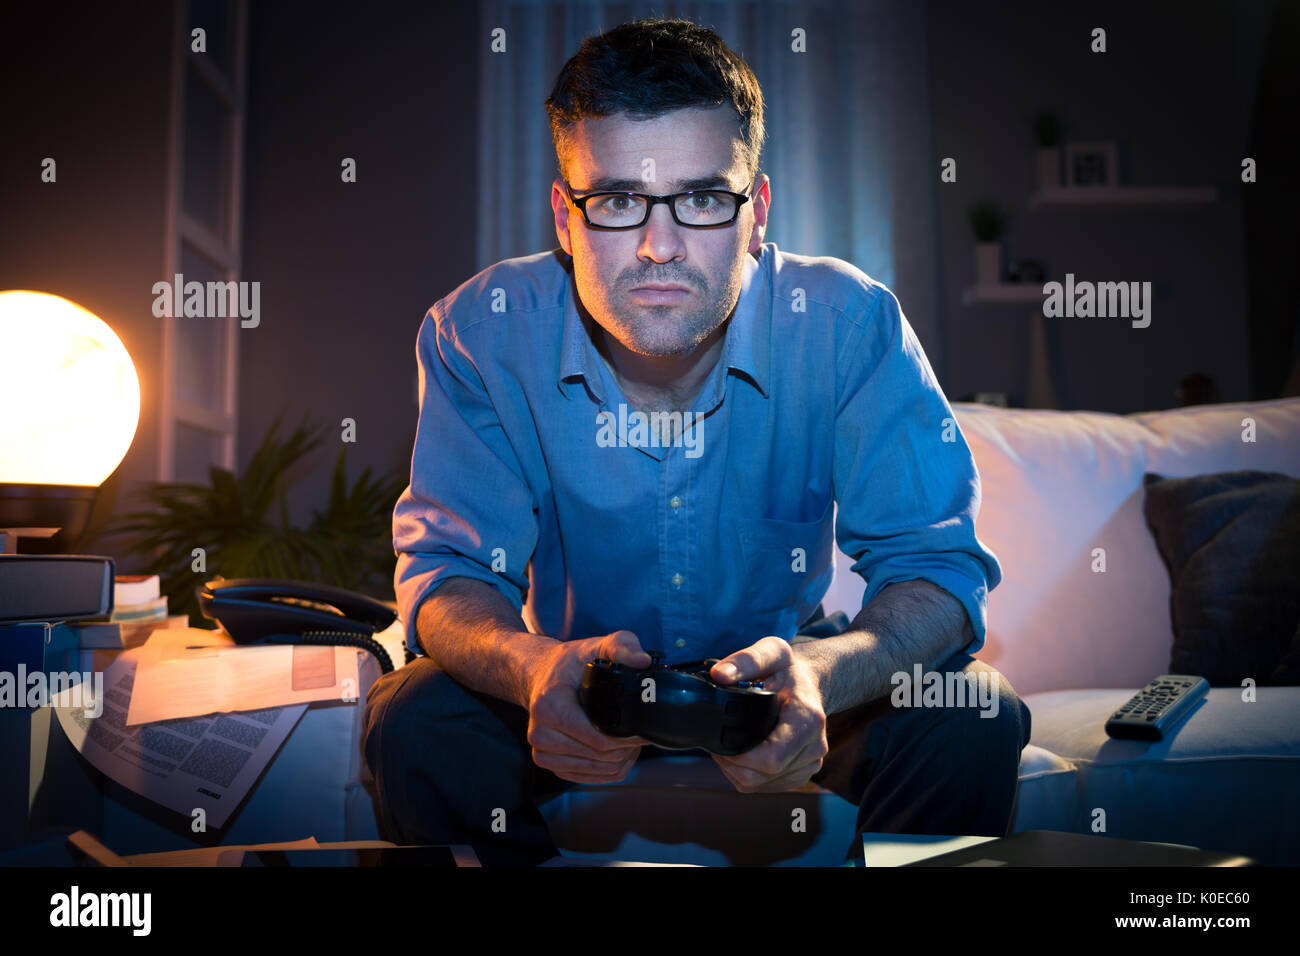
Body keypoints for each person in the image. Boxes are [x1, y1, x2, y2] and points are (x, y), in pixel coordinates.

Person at [362, 16, 1030, 867]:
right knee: (413, 718)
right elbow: (448, 574)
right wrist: (532, 668)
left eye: (704, 199)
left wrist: (824, 674)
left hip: (785, 676)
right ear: (565, 220)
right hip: (574, 680)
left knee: (973, 711)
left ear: (756, 213)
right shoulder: (480, 335)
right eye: (616, 202)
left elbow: (937, 571)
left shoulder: (850, 325)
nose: (659, 246)